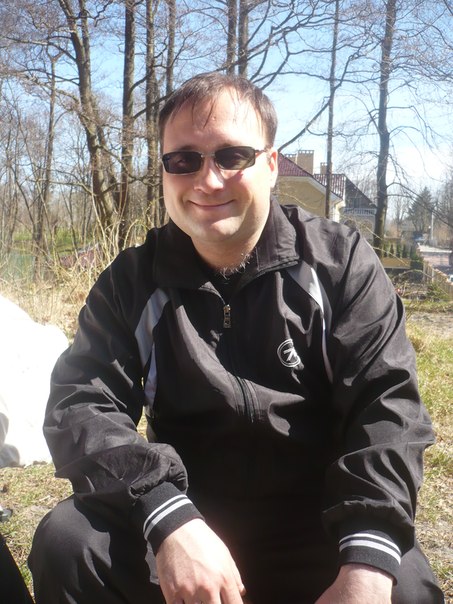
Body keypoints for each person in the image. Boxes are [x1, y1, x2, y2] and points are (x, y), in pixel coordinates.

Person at [29, 72, 444, 604]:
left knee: (402, 588)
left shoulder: (340, 265)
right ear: (164, 172)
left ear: (270, 165)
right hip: (187, 522)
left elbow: (388, 409)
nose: (208, 180)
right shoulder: (131, 281)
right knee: (70, 543)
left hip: (320, 522)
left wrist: (366, 560)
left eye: (232, 156)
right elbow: (81, 403)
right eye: (184, 160)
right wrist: (166, 514)